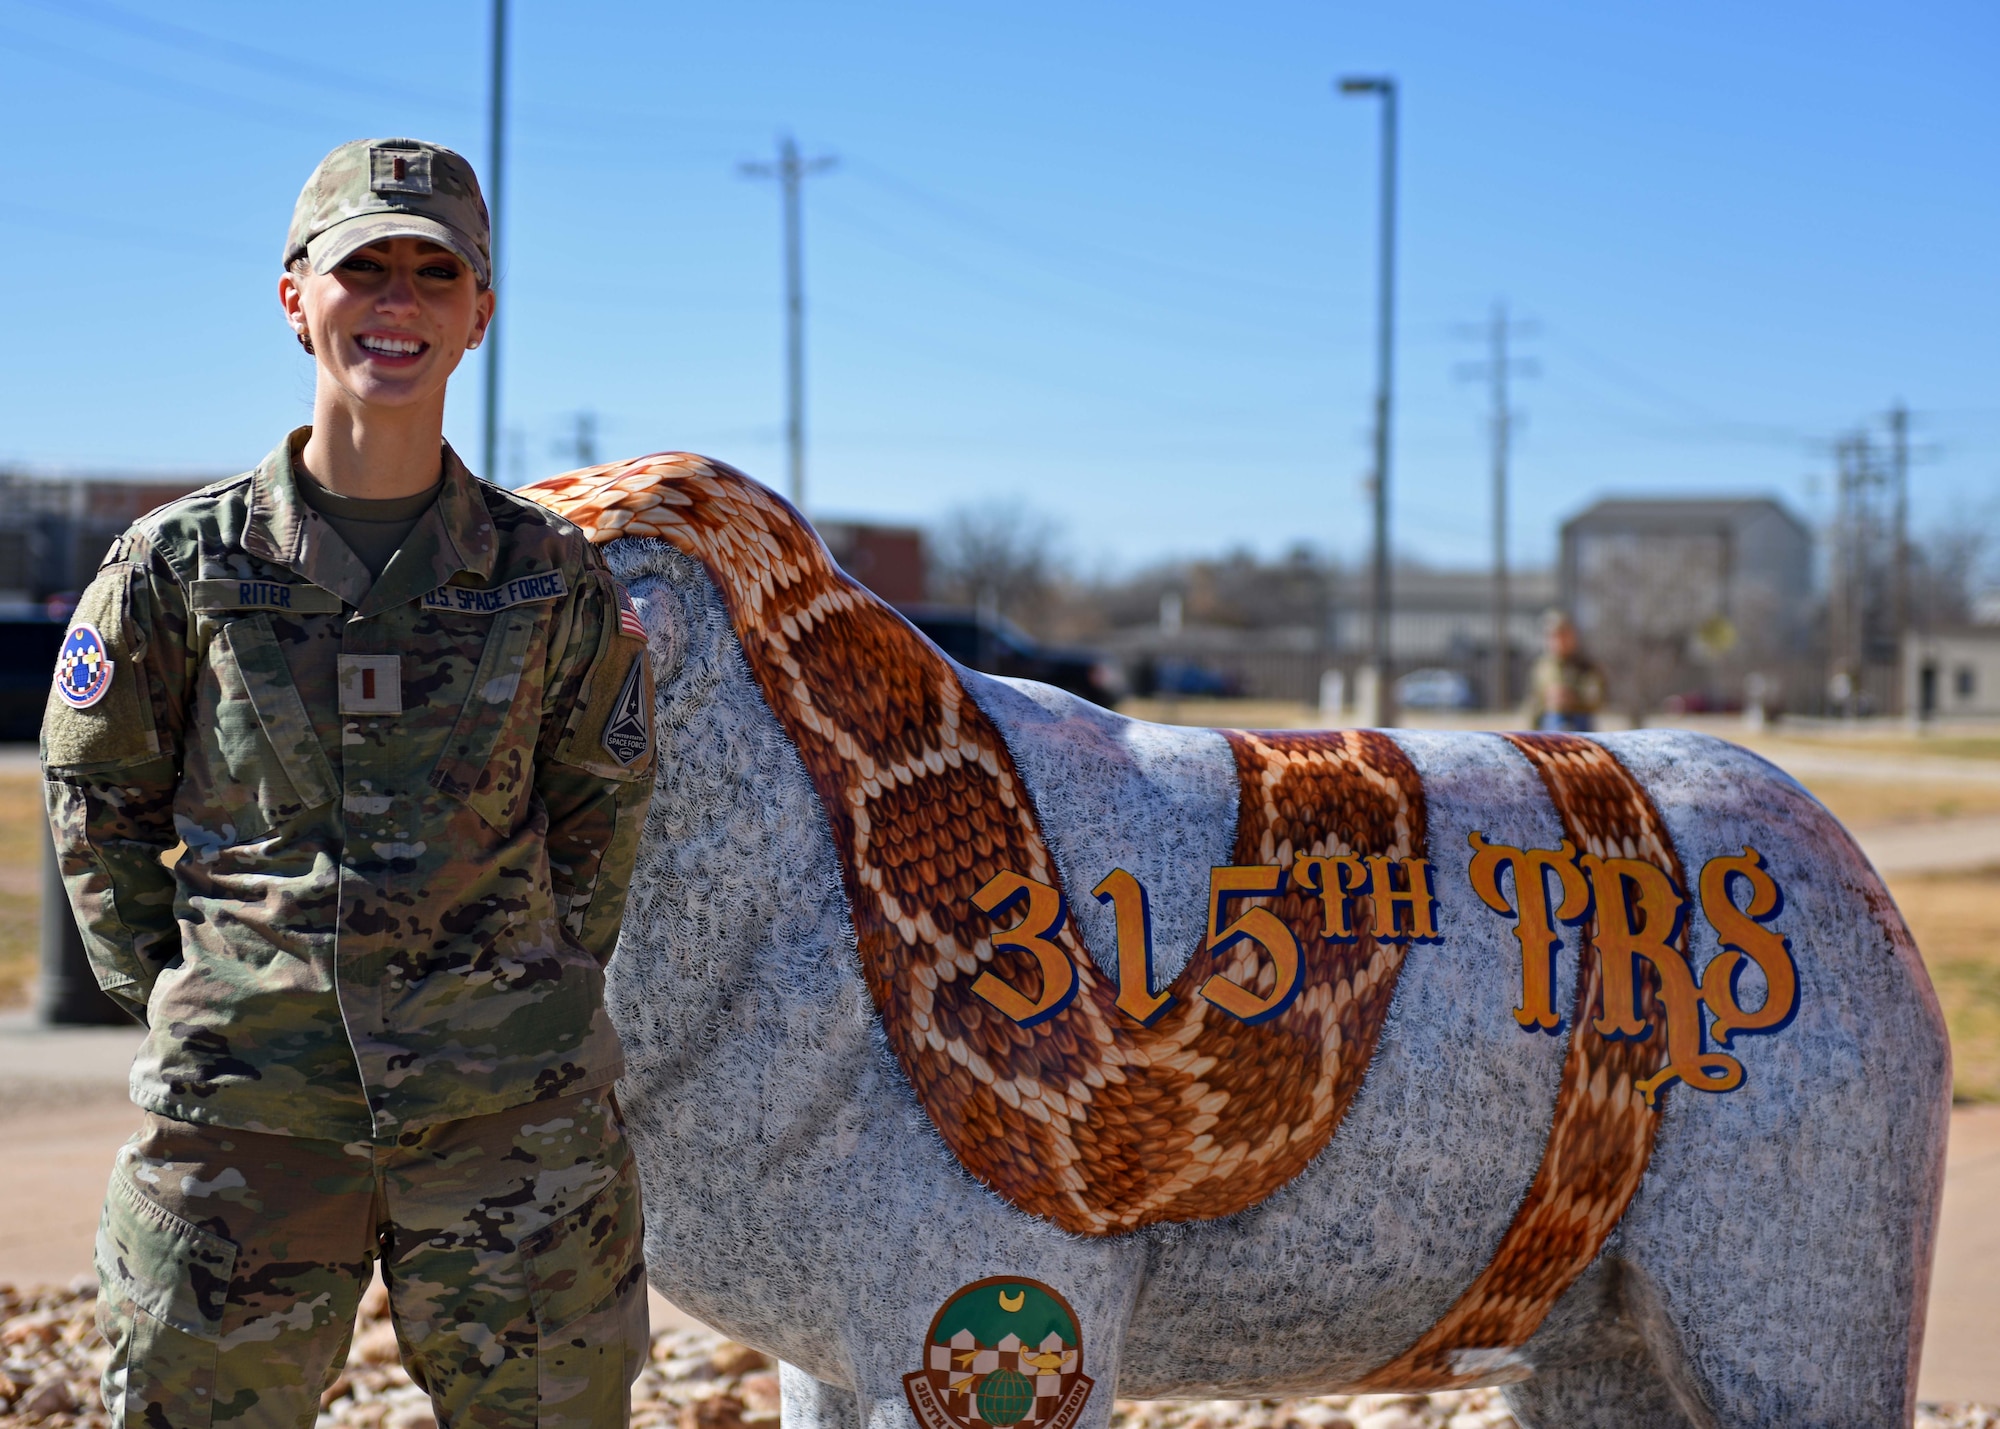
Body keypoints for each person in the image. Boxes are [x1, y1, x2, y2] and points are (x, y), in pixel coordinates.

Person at [42, 137, 657, 1428]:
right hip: (245, 1134)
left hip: (513, 1133)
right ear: (293, 297)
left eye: (434, 273)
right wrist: (199, 999)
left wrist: (524, 992)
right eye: (362, 266)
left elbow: (602, 811)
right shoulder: (178, 568)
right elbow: (97, 805)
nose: (397, 302)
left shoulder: (550, 577)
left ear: (480, 310)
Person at [1520, 610, 1606, 732]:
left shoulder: (1585, 666)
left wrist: (1572, 698)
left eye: (1563, 635)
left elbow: (1596, 697)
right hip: (1549, 726)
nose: (1559, 641)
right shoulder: (1542, 667)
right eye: (1554, 636)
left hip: (1580, 725)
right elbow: (1532, 704)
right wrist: (1548, 700)